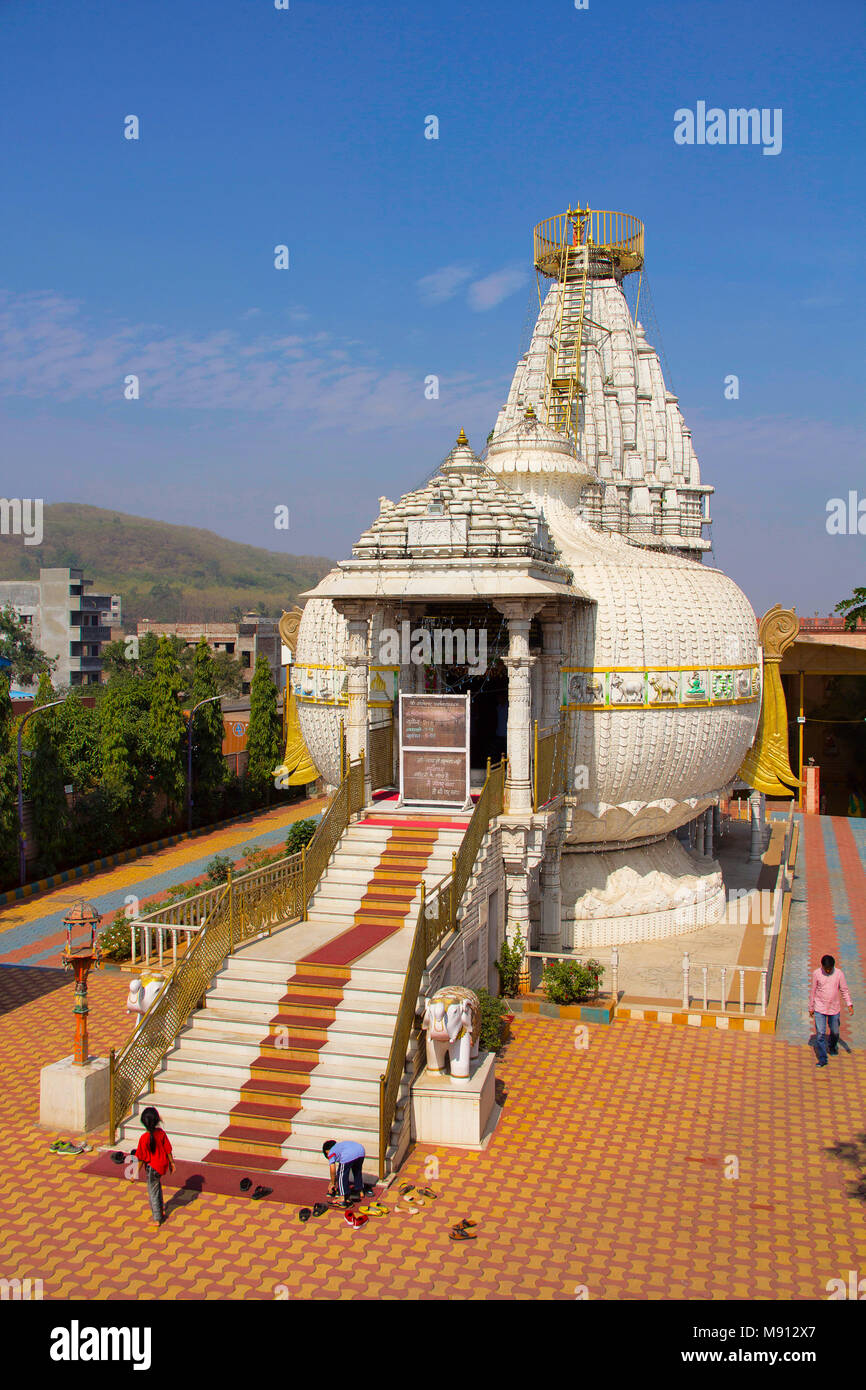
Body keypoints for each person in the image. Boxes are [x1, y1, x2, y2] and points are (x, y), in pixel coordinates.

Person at [809, 954, 854, 1068]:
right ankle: (823, 1058)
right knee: (820, 1034)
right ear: (822, 966)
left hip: (834, 1009)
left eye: (830, 969)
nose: (828, 971)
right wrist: (811, 1007)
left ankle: (832, 1046)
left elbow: (844, 990)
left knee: (835, 1032)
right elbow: (813, 991)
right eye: (826, 969)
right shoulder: (816, 974)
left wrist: (849, 1004)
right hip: (820, 1008)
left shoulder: (839, 974)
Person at [135, 1106, 175, 1225]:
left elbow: (141, 1158)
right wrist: (172, 1163)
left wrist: (135, 1173)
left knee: (153, 1192)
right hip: (162, 1166)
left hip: (152, 1168)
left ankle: (157, 1218)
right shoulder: (161, 1133)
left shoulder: (144, 1138)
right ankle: (161, 1210)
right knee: (157, 1188)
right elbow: (168, 1150)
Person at [323, 1138, 366, 1207]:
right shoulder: (340, 1146)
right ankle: (360, 1191)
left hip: (349, 1154)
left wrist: (332, 1183)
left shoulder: (331, 1152)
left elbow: (332, 1170)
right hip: (361, 1151)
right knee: (357, 1171)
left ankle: (342, 1198)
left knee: (341, 1174)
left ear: (327, 1151)